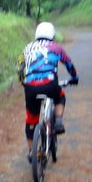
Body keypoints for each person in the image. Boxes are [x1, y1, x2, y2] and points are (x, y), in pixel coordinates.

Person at [17, 22, 79, 161]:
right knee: (60, 96)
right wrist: (74, 78)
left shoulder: (27, 48)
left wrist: (24, 82)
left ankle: (32, 152)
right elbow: (69, 64)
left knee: (31, 120)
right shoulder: (56, 48)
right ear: (52, 35)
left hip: (30, 87)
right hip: (50, 84)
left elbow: (19, 67)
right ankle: (58, 121)